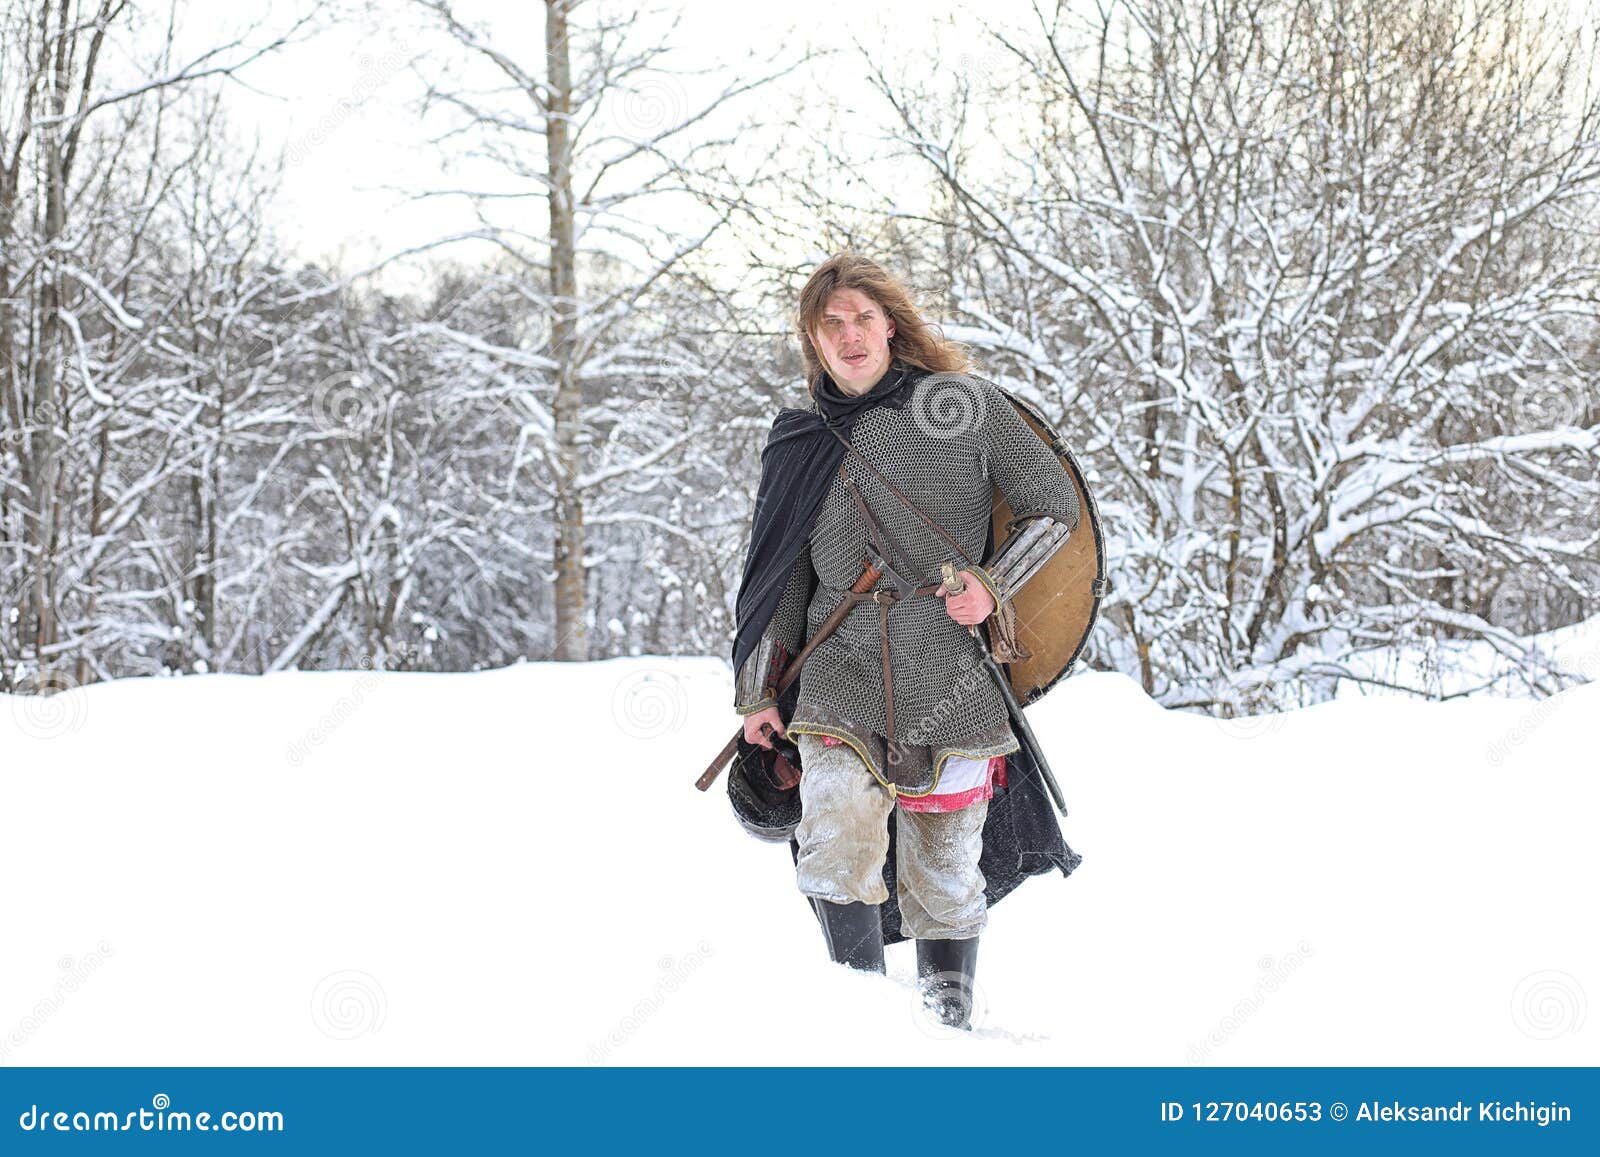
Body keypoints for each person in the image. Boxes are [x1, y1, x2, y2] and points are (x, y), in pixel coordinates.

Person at [730, 252, 1081, 1028]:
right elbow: (781, 575)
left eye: (863, 318)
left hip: (950, 670)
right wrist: (758, 690)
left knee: (946, 867)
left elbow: (1053, 506)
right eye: (832, 325)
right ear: (812, 341)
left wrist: (994, 583)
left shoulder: (964, 406)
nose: (851, 336)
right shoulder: (800, 439)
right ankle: (860, 1027)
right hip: (837, 668)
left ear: (891, 324)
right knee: (837, 831)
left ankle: (944, 1030)